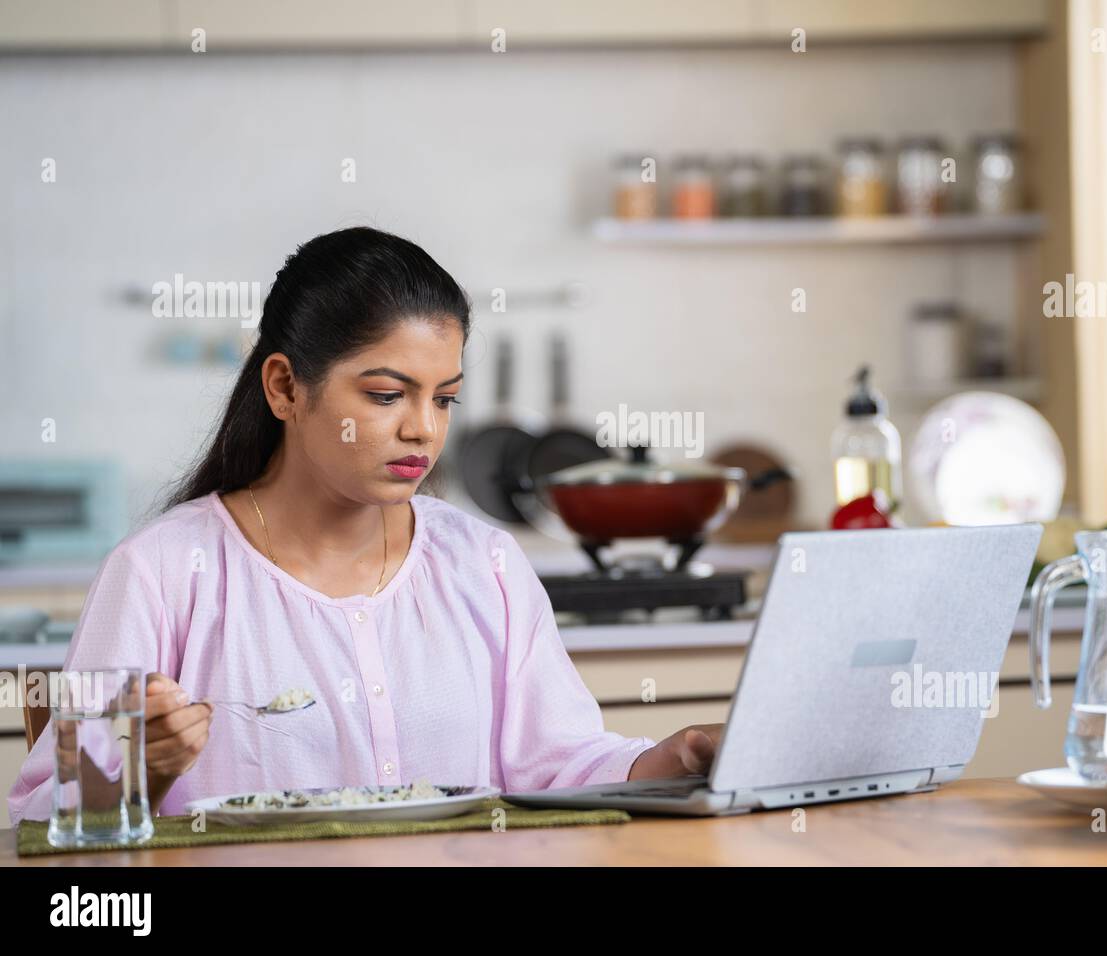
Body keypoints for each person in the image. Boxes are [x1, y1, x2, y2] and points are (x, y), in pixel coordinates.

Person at [8, 226, 722, 823]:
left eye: (445, 399)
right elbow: (43, 825)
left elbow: (561, 762)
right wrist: (132, 775)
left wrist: (677, 754)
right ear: (286, 387)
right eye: (386, 394)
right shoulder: (161, 574)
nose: (422, 429)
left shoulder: (485, 565)